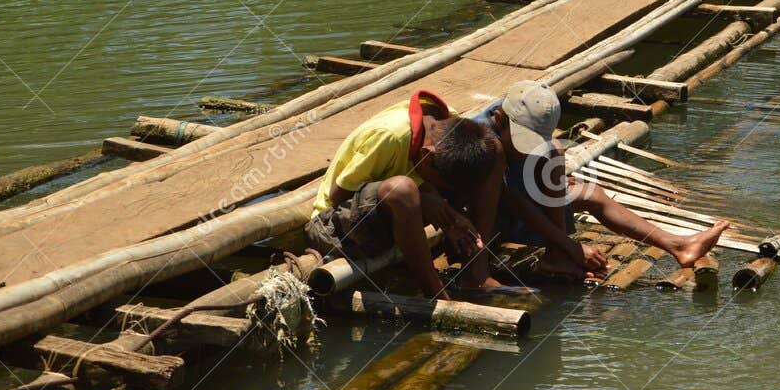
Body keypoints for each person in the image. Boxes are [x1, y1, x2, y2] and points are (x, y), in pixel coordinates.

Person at [480, 81, 727, 280]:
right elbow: (512, 202)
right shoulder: (483, 142)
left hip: (515, 204)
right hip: (486, 220)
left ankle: (677, 246)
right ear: (499, 118)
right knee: (553, 162)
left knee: (587, 189)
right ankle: (559, 252)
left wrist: (553, 178)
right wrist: (571, 245)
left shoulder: (515, 122)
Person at [305, 90, 504, 296]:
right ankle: (435, 294)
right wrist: (425, 200)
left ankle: (476, 272)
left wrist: (451, 218)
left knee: (492, 149)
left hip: (402, 211)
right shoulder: (389, 137)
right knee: (403, 190)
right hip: (335, 226)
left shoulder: (447, 122)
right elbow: (339, 195)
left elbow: (428, 181)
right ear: (426, 156)